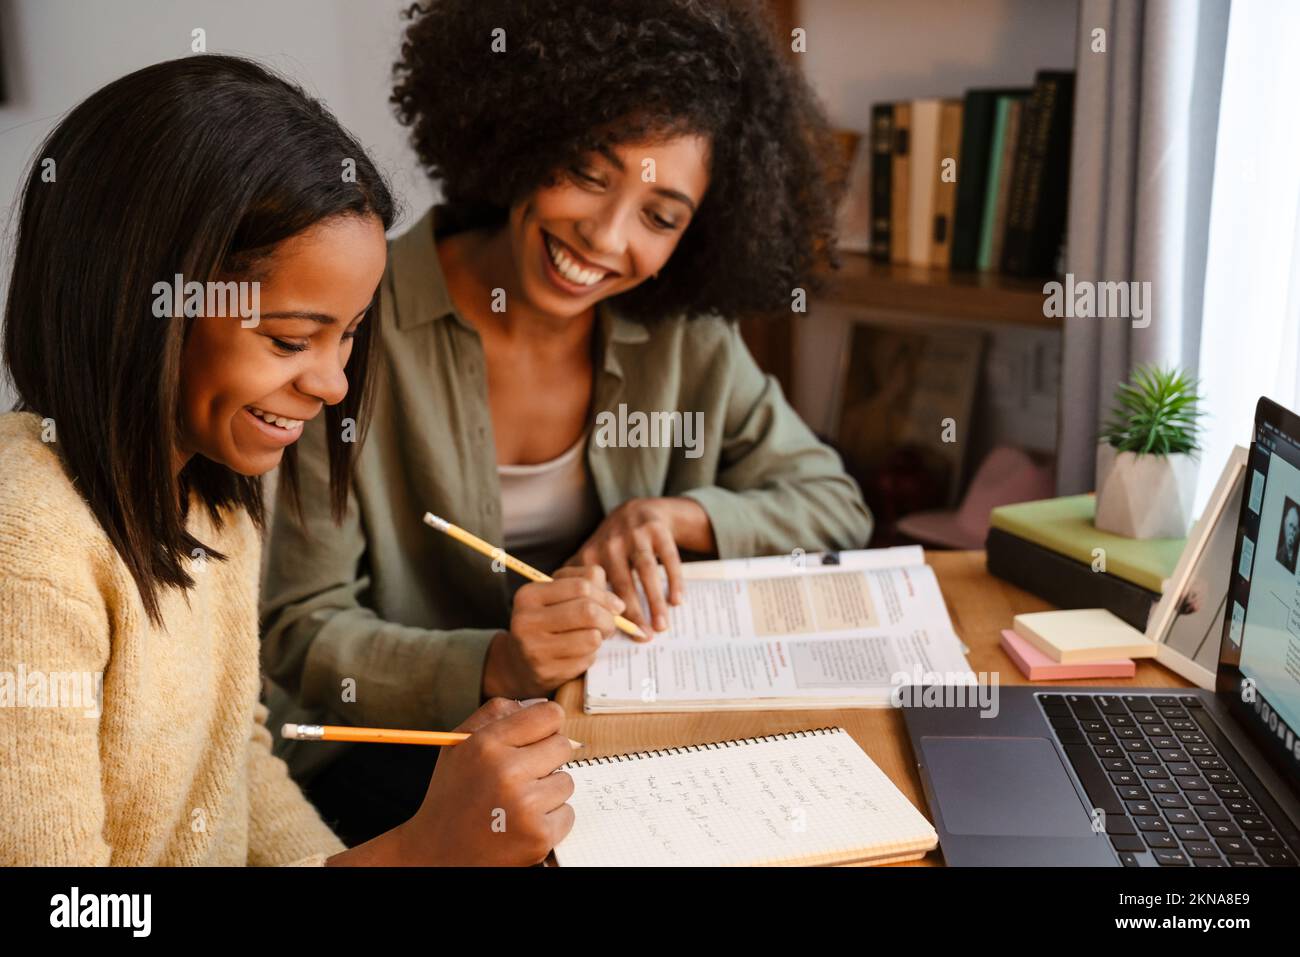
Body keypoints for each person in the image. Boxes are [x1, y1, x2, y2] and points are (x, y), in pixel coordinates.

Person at [262, 0, 873, 843]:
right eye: (588, 171)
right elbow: (301, 630)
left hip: (613, 733)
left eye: (661, 216)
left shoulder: (684, 336)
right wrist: (498, 663)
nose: (606, 237)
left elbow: (832, 499)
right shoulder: (361, 322)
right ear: (523, 130)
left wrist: (675, 515)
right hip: (408, 752)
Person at [0, 55, 582, 866]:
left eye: (346, 334)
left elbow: (237, 768)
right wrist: (419, 853)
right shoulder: (27, 549)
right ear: (144, 303)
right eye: (287, 339)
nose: (334, 383)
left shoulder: (213, 498)